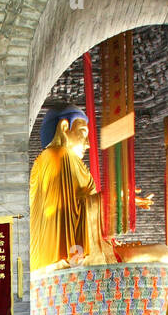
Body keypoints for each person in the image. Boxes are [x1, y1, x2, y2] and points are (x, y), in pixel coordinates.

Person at [29, 105, 119, 272]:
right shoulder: (58, 156)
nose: (88, 144)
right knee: (162, 254)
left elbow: (81, 207)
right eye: (83, 132)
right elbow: (68, 213)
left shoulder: (59, 160)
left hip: (84, 248)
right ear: (64, 128)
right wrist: (113, 198)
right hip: (70, 254)